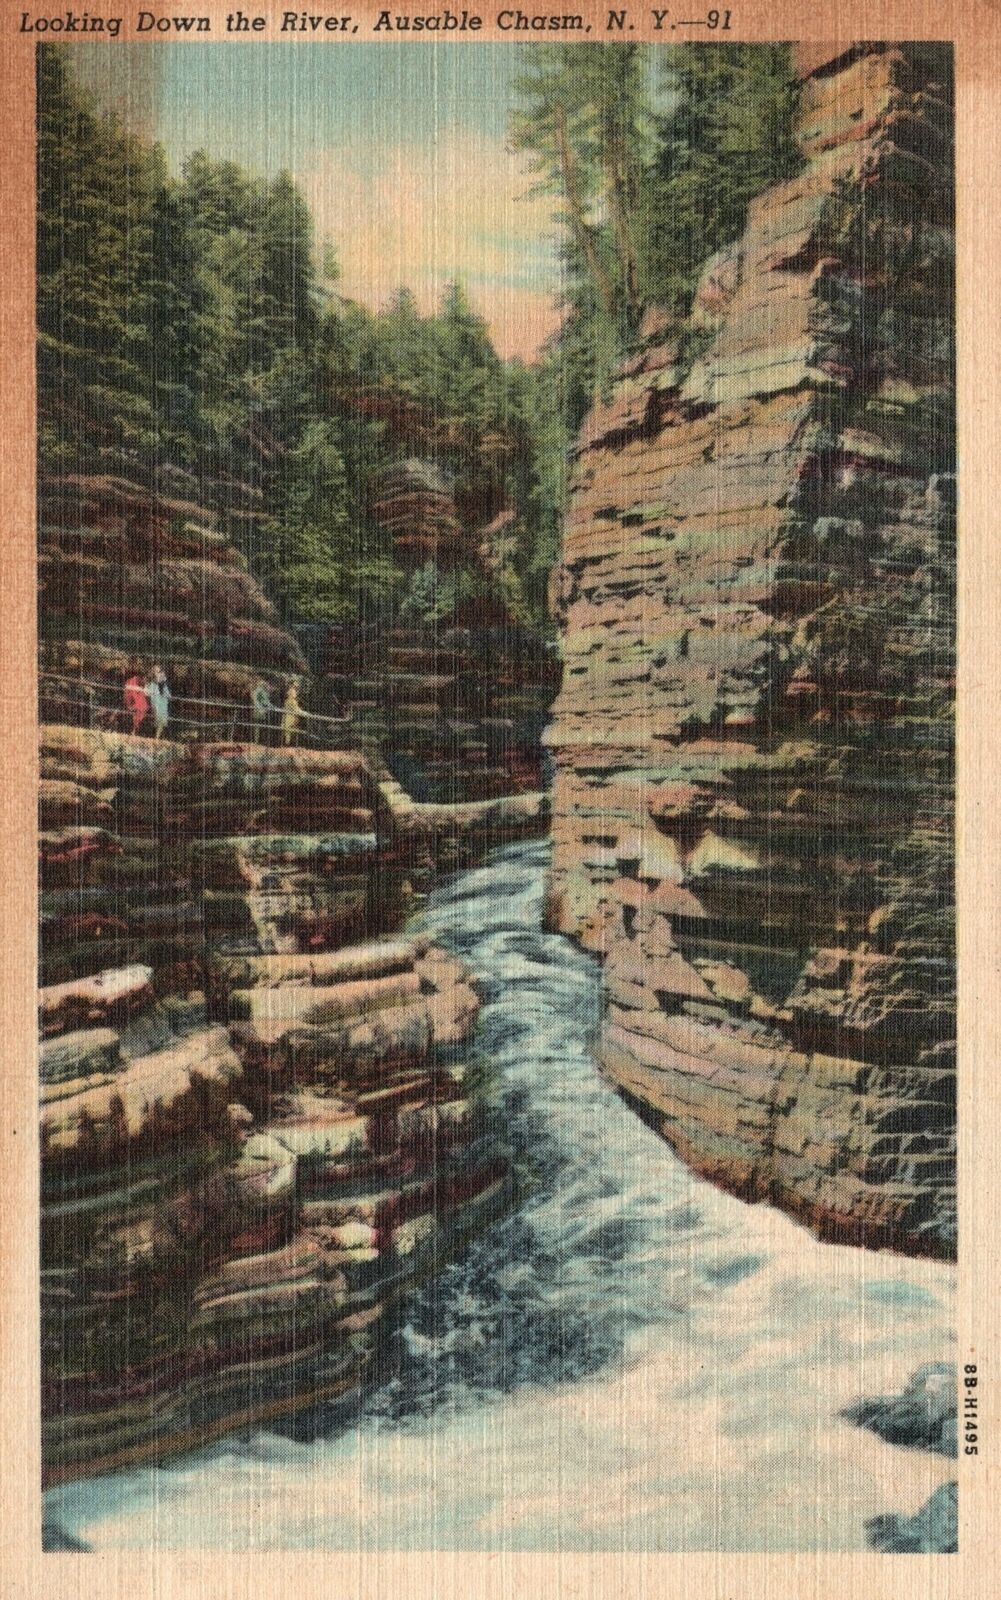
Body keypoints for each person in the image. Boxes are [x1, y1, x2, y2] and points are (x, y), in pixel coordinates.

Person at [145, 664, 172, 739]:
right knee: (156, 717)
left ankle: (157, 737)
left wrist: (161, 680)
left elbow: (167, 692)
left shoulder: (163, 679)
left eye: (159, 671)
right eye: (156, 671)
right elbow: (146, 691)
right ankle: (155, 735)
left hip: (162, 700)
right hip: (155, 699)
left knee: (161, 718)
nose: (158, 673)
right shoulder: (151, 681)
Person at [123, 668, 149, 736]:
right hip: (132, 702)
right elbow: (128, 693)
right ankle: (135, 730)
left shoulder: (141, 683)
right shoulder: (131, 681)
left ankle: (135, 730)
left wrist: (143, 689)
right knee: (139, 711)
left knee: (141, 710)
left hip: (138, 703)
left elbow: (146, 693)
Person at [251, 679, 274, 745]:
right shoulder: (258, 690)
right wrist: (260, 709)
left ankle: (260, 742)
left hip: (263, 711)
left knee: (262, 726)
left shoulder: (264, 691)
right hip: (258, 711)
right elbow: (255, 700)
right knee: (257, 726)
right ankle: (256, 742)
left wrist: (272, 707)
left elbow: (265, 701)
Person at [281, 682, 301, 748]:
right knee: (289, 731)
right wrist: (302, 712)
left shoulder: (288, 700)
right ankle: (287, 745)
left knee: (288, 731)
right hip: (290, 717)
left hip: (288, 716)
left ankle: (287, 744)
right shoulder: (292, 700)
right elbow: (296, 709)